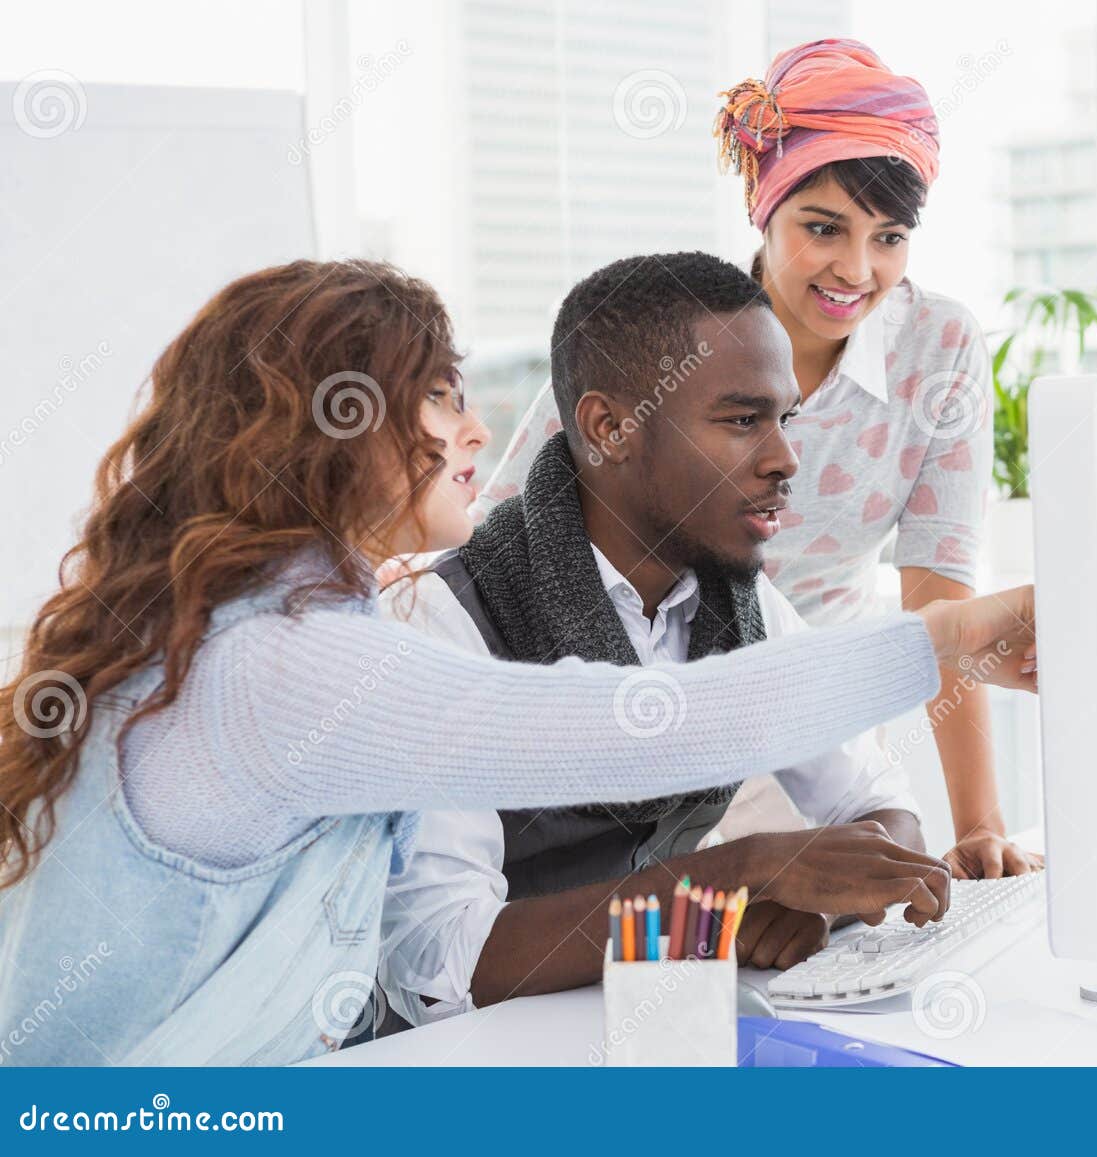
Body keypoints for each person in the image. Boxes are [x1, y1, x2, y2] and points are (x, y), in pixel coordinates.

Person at [0, 258, 1036, 1066]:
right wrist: (953, 638)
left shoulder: (274, 623)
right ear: (327, 425)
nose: (478, 426)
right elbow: (636, 725)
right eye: (440, 397)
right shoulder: (277, 664)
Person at [484, 39, 1035, 879]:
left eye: (888, 237)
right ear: (763, 208)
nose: (857, 269)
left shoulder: (939, 346)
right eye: (823, 228)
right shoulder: (670, 334)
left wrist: (980, 824)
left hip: (821, 731)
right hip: (647, 720)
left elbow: (941, 597)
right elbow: (516, 523)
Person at [379, 252, 942, 1024]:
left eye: (785, 419)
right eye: (743, 420)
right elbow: (446, 960)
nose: (784, 459)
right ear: (610, 429)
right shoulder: (443, 619)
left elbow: (878, 803)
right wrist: (735, 882)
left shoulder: (741, 598)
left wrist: (818, 904)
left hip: (651, 1035)